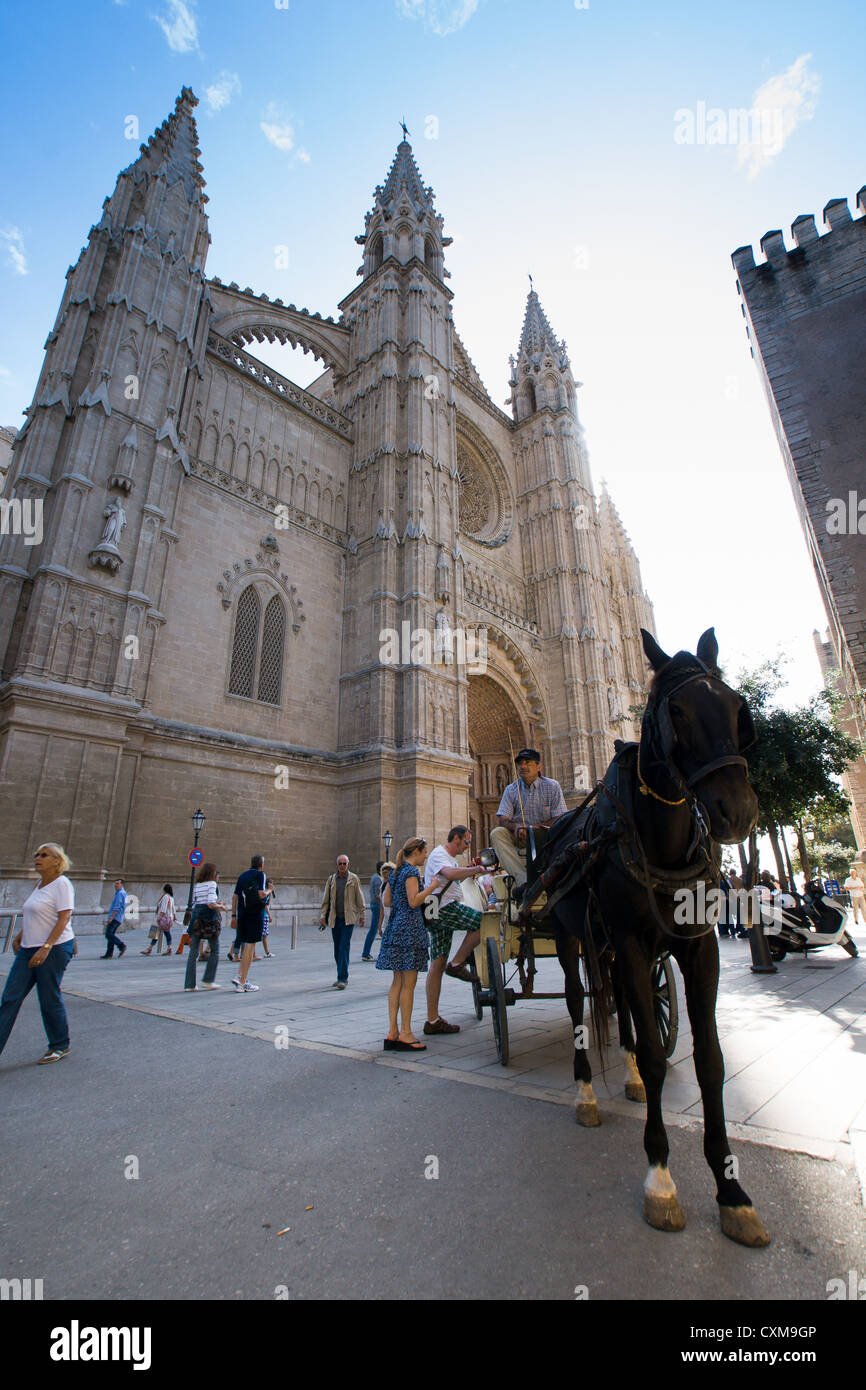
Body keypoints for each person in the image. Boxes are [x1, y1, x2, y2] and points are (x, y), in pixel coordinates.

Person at [0, 843, 75, 1065]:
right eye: (37, 855)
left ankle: (59, 1045)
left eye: (44, 855)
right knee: (9, 999)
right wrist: (21, 935)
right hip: (27, 949)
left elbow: (64, 918)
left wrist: (46, 947)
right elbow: (38, 913)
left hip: (54, 949)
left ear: (56, 861)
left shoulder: (62, 884)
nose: (37, 858)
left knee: (48, 997)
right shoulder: (40, 884)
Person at [377, 838, 442, 1051]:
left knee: (397, 982)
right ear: (416, 852)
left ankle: (392, 1032)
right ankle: (405, 1033)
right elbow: (414, 901)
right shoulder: (412, 872)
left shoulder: (395, 873)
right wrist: (431, 886)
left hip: (395, 928)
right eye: (425, 853)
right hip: (410, 931)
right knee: (409, 984)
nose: (426, 857)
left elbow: (387, 902)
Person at [423, 826, 486, 1035]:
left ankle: (432, 1020)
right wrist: (475, 870)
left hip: (436, 912)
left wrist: (468, 870)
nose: (468, 846)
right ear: (456, 838)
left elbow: (451, 879)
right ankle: (457, 963)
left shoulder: (450, 859)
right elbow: (448, 874)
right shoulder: (440, 854)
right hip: (444, 909)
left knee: (437, 962)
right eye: (467, 842)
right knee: (483, 923)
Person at [490, 748, 567, 886]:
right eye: (520, 763)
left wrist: (534, 828)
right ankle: (523, 880)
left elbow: (560, 817)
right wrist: (516, 827)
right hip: (520, 836)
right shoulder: (511, 789)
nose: (523, 766)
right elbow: (503, 819)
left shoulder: (552, 786)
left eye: (527, 762)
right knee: (497, 833)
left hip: (546, 836)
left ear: (538, 766)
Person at [319, 855, 365, 989]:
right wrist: (323, 916)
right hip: (335, 918)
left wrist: (362, 914)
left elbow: (360, 897)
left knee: (343, 946)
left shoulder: (353, 879)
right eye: (340, 863)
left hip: (348, 919)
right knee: (337, 949)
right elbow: (326, 899)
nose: (342, 866)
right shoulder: (331, 879)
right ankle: (341, 973)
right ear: (337, 865)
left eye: (344, 863)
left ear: (348, 864)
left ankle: (342, 978)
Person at [184, 863, 229, 991]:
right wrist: (221, 907)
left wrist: (215, 903)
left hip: (196, 919)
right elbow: (210, 904)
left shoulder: (198, 885)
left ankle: (189, 985)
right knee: (215, 950)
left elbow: (196, 902)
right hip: (209, 919)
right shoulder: (212, 884)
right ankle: (208, 980)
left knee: (193, 953)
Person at [231, 854, 269, 993]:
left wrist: (233, 916)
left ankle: (240, 975)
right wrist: (270, 890)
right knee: (250, 946)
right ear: (261, 864)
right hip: (255, 914)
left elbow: (235, 897)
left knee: (247, 946)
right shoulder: (260, 875)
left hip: (242, 914)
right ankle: (242, 983)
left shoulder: (242, 876)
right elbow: (261, 894)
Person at [141, 884, 176, 955]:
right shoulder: (171, 897)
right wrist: (174, 916)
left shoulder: (165, 897)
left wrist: (159, 917)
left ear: (164, 890)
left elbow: (163, 908)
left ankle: (150, 949)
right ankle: (167, 948)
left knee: (156, 932)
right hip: (168, 918)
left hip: (163, 918)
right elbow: (173, 908)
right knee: (164, 933)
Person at [361, 862, 384, 961]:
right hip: (377, 906)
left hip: (376, 905)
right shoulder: (377, 879)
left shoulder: (375, 877)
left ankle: (366, 953)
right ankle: (365, 953)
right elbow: (377, 895)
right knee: (374, 930)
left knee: (374, 930)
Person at [100, 878, 129, 958]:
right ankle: (109, 953)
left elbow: (117, 907)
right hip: (119, 917)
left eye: (117, 883)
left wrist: (111, 917)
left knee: (108, 934)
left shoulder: (120, 894)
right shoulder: (122, 893)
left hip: (115, 917)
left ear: (122, 885)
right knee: (111, 934)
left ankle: (121, 946)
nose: (115, 885)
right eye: (115, 883)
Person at [260, 879, 277, 958]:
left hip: (264, 915)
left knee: (264, 935)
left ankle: (266, 952)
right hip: (264, 915)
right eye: (271, 884)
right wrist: (269, 915)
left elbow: (268, 903)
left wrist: (270, 893)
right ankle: (267, 952)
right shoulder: (265, 892)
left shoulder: (267, 893)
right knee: (264, 935)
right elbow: (265, 906)